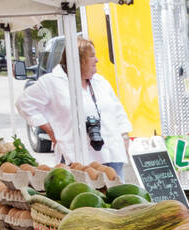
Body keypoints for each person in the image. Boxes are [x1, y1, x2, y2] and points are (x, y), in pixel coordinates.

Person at [17, 37, 132, 178]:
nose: (97, 60)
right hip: (79, 158)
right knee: (87, 198)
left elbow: (118, 111)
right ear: (78, 60)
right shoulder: (52, 82)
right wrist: (50, 130)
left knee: (119, 197)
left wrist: (124, 136)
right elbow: (24, 103)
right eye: (92, 56)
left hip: (112, 155)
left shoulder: (100, 81)